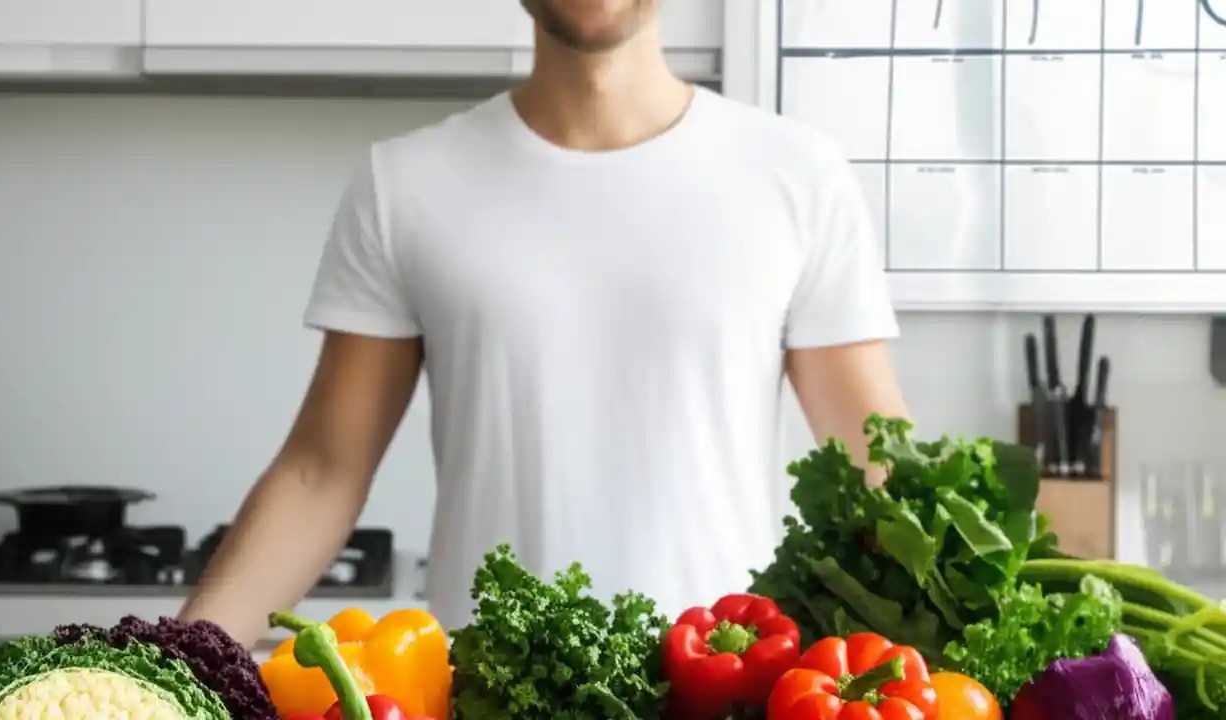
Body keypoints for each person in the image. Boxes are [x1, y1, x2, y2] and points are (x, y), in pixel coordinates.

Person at [178, 0, 910, 643]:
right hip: (487, 692)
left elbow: (879, 474)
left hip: (726, 690)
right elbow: (320, 474)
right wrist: (163, 669)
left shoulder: (797, 175)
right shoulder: (404, 184)